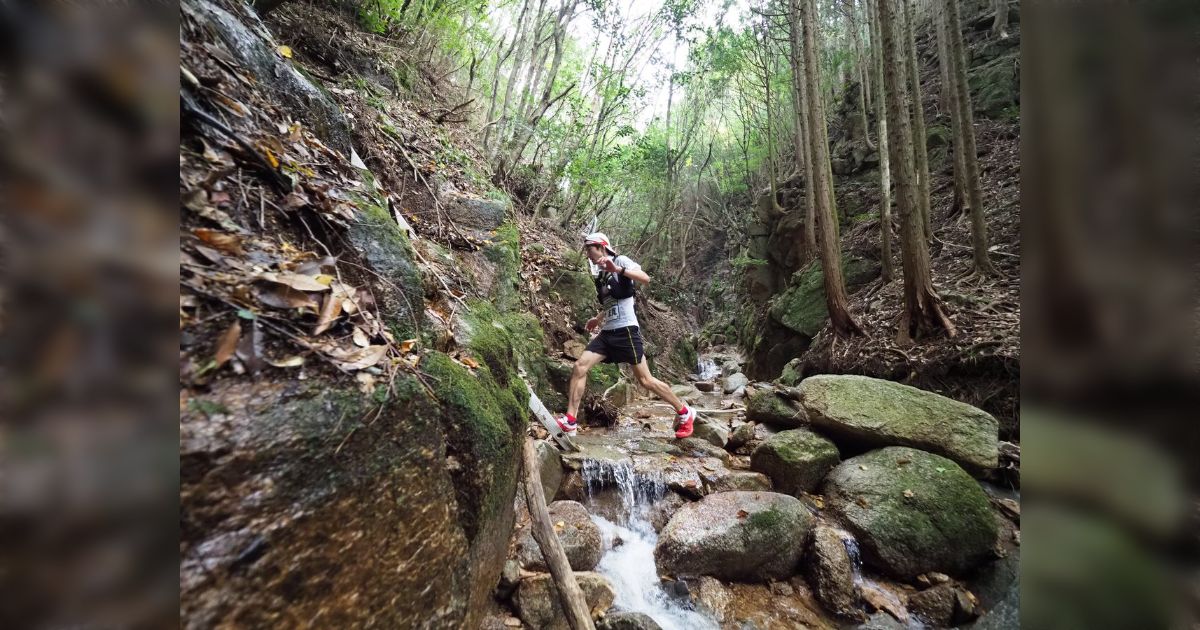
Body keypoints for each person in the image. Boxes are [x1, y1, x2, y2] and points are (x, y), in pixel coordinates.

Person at [555, 232, 697, 438]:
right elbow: (614, 301)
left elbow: (645, 278)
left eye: (589, 250)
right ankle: (570, 421)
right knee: (580, 366)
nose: (587, 255)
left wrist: (617, 269)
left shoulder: (620, 261)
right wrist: (598, 318)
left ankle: (684, 412)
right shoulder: (601, 274)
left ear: (601, 247)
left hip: (626, 331)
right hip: (607, 333)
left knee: (646, 380)